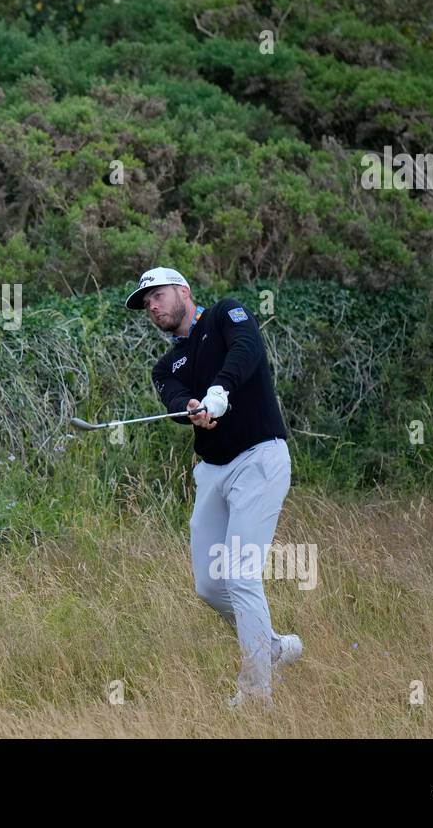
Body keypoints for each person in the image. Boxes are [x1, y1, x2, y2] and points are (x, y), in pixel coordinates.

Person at [125, 267, 302, 707]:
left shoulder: (227, 314)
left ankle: (256, 694)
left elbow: (248, 347)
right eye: (145, 302)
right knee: (209, 585)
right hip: (213, 471)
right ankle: (273, 648)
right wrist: (191, 408)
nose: (151, 305)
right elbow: (174, 399)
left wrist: (221, 388)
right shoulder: (166, 364)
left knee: (242, 574)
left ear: (183, 291)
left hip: (260, 457)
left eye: (157, 295)